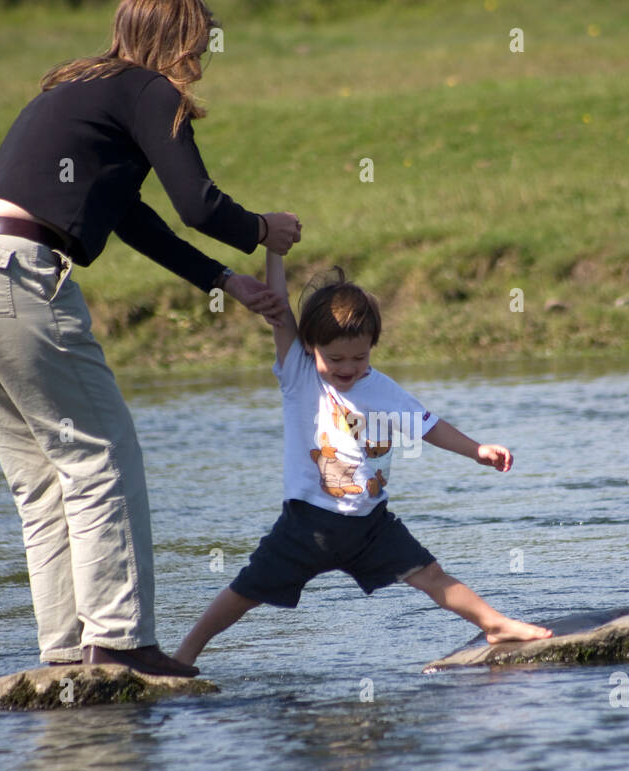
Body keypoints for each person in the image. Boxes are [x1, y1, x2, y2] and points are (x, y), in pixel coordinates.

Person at [0, 0, 296, 678]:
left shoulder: (83, 88)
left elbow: (130, 215)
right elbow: (197, 203)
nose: (202, 59)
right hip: (20, 275)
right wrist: (260, 230)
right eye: (201, 41)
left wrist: (224, 279)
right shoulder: (150, 90)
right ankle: (121, 643)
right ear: (181, 38)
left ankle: (67, 653)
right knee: (102, 454)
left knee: (42, 477)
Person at [171, 250, 553, 668]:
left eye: (360, 357)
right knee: (245, 592)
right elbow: (279, 312)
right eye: (335, 359)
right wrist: (274, 250)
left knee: (430, 575)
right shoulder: (299, 374)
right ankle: (184, 655)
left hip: (370, 524)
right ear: (311, 346)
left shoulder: (382, 389)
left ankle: (494, 624)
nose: (348, 368)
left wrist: (477, 449)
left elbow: (428, 426)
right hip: (306, 526)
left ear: (372, 346)